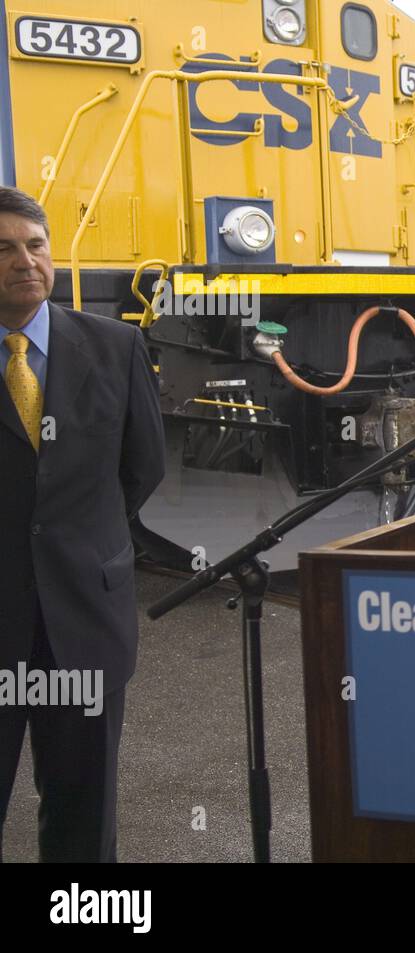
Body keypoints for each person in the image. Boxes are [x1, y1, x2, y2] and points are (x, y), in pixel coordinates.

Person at [0, 186, 165, 861]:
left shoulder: (118, 347)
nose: (24, 260)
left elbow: (142, 468)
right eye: (4, 249)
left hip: (85, 627)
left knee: (83, 819)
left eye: (35, 245)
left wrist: (84, 543)